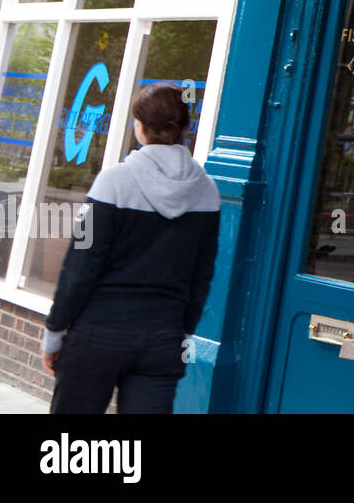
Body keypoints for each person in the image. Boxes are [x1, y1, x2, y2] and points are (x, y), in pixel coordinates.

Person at [41, 83, 220, 414]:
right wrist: (182, 332)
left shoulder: (114, 182)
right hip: (163, 338)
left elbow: (80, 266)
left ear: (139, 126)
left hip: (97, 334)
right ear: (184, 127)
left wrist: (54, 331)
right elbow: (202, 275)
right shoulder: (207, 192)